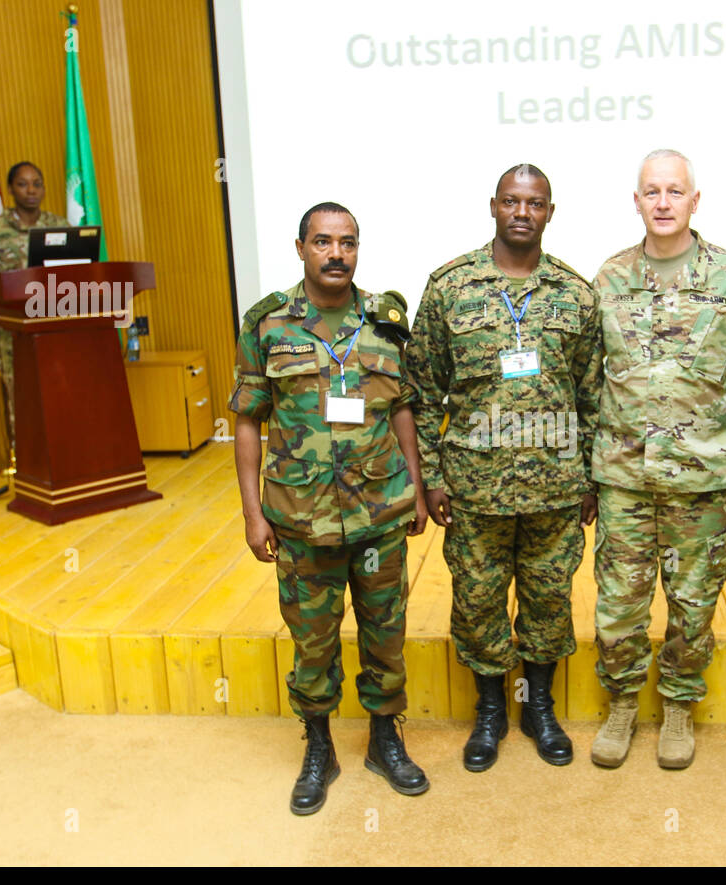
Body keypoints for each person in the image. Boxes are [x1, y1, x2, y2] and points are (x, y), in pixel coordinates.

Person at [229, 201, 430, 815]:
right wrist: (251, 512)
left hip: (378, 514)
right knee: (312, 641)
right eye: (323, 241)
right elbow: (246, 421)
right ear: (300, 249)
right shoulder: (268, 327)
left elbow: (402, 410)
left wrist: (416, 488)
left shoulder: (386, 322)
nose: (336, 253)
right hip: (301, 517)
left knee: (385, 634)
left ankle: (382, 740)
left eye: (347, 242)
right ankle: (319, 746)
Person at [405, 164, 600, 771]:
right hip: (474, 488)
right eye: (512, 202)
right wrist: (432, 476)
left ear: (550, 211)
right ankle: (490, 712)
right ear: (493, 206)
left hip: (556, 487)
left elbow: (594, 395)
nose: (522, 212)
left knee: (548, 598)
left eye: (534, 203)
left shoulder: (575, 293)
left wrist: (591, 474)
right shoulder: (450, 288)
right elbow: (419, 389)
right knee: (478, 600)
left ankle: (538, 707)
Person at [589, 149, 726, 770]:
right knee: (619, 603)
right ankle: (620, 702)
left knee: (694, 602)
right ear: (636, 201)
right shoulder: (609, 278)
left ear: (695, 201)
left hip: (702, 477)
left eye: (675, 191)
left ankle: (677, 706)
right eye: (651, 192)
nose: (663, 203)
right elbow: (589, 379)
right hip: (624, 476)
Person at [0, 162, 70, 443]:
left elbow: (75, 270)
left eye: (37, 183)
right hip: (12, 330)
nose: (31, 190)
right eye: (23, 183)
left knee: (61, 395)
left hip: (55, 324)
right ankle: (30, 463)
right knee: (23, 400)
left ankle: (66, 457)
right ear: (11, 189)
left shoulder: (59, 225)